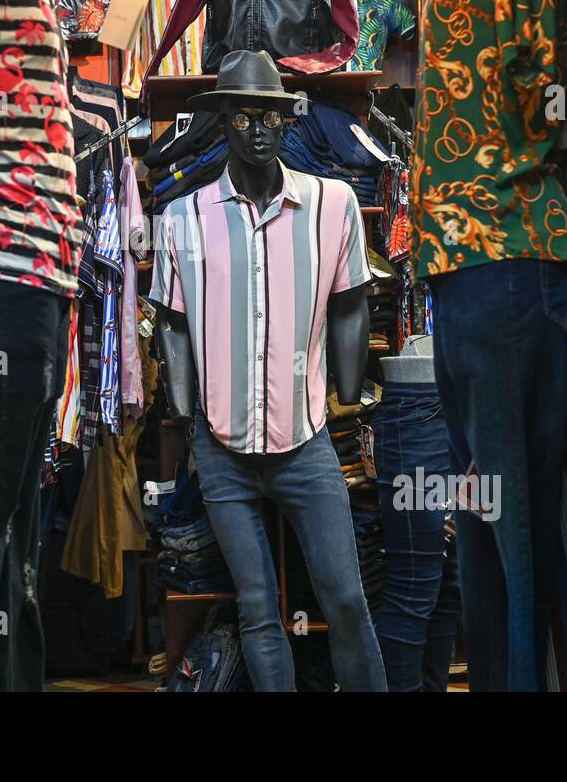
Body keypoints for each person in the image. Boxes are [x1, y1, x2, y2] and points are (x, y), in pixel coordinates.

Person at [151, 49, 387, 691]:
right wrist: (180, 404)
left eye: (271, 117)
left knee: (344, 597)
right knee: (256, 609)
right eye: (243, 116)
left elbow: (350, 302)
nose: (258, 129)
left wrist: (346, 387)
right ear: (223, 121)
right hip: (221, 446)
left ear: (288, 123)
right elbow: (170, 321)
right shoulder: (181, 219)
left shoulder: (333, 204)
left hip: (305, 441)